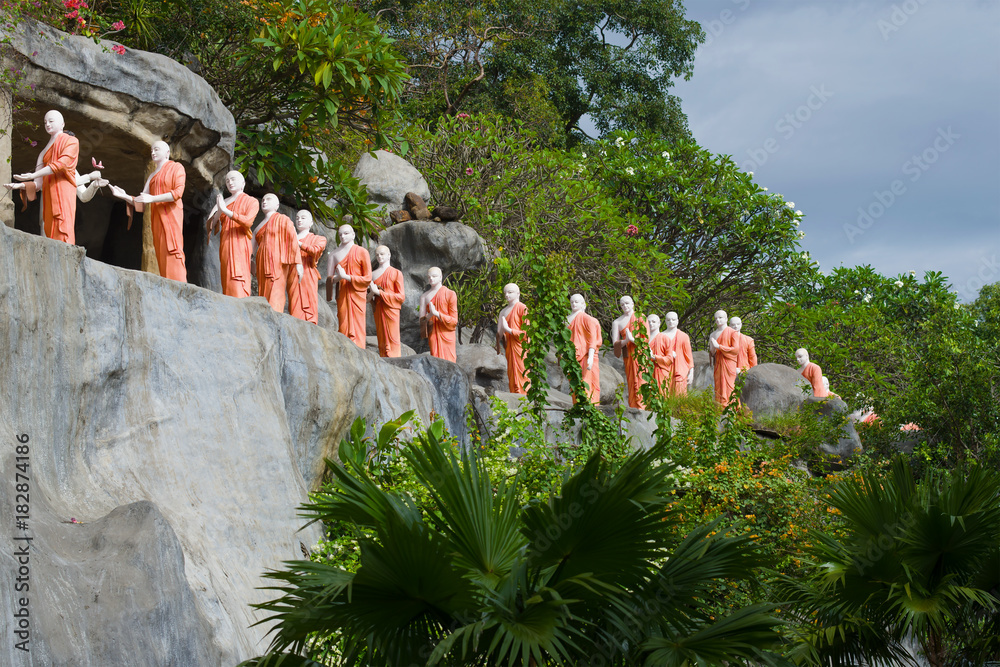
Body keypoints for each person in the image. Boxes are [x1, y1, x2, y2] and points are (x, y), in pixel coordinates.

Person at [110, 140, 187, 282]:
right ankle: (168, 285)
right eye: (152, 150)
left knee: (173, 250)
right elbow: (142, 201)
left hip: (171, 216)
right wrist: (124, 196)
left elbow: (177, 193)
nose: (153, 152)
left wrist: (153, 198)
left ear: (167, 153)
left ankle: (181, 285)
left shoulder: (176, 167)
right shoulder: (152, 176)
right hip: (156, 218)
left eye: (156, 149)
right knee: (161, 252)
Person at [10, 110, 80, 244]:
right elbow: (38, 184)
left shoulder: (71, 141)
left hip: (63, 189)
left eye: (51, 121)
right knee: (49, 226)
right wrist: (20, 185)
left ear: (62, 124)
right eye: (45, 122)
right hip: (48, 192)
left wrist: (33, 174)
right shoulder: (43, 152)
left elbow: (61, 164)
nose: (47, 124)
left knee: (63, 224)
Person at [206, 170, 258, 298]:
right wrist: (220, 210)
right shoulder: (224, 202)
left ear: (243, 183)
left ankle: (240, 300)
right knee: (227, 275)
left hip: (240, 242)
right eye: (227, 180)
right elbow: (211, 224)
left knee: (239, 275)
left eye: (233, 179)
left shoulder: (251, 201)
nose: (230, 182)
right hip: (226, 242)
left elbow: (247, 221)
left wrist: (225, 210)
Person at [252, 193, 302, 313]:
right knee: (263, 292)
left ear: (277, 205)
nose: (264, 201)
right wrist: (250, 261)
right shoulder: (258, 227)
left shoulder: (282, 219)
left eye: (268, 199)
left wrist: (298, 263)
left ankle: (275, 316)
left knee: (276, 290)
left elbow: (293, 240)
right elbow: (250, 249)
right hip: (261, 263)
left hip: (276, 262)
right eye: (263, 199)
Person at [325, 223, 371, 348]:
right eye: (340, 234)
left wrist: (347, 277)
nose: (343, 236)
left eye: (346, 233)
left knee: (358, 323)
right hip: (343, 294)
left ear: (353, 235)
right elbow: (329, 281)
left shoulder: (362, 252)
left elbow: (368, 278)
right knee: (344, 322)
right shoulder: (334, 254)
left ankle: (360, 349)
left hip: (357, 294)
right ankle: (345, 350)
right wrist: (339, 277)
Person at [612, 295, 647, 409]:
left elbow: (646, 339)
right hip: (628, 356)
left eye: (627, 303)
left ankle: (643, 406)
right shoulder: (617, 322)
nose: (625, 306)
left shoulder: (640, 317)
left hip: (641, 354)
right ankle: (633, 406)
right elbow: (616, 344)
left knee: (641, 379)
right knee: (631, 380)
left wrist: (633, 340)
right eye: (622, 304)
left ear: (632, 304)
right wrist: (626, 340)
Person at [567, 293, 602, 404]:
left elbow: (593, 339)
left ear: (583, 304)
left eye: (576, 302)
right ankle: (577, 406)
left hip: (586, 355)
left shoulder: (588, 319)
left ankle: (589, 407)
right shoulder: (566, 320)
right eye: (572, 302)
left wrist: (590, 357)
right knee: (575, 384)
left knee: (587, 383)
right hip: (572, 356)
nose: (574, 304)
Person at [369, 245, 405, 355]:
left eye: (382, 254)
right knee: (381, 338)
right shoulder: (372, 275)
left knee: (393, 337)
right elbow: (368, 298)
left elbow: (401, 297)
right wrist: (372, 292)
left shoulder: (396, 273)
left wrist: (379, 293)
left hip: (391, 310)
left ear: (389, 255)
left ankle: (395, 359)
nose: (379, 256)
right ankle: (384, 358)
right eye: (377, 255)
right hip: (379, 309)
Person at [294, 210, 327, 324]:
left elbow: (316, 250)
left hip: (308, 272)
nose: (299, 220)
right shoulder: (290, 238)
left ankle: (310, 325)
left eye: (303, 218)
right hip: (293, 274)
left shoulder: (319, 239)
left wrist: (298, 243)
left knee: (309, 303)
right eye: (297, 218)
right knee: (295, 303)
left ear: (311, 223)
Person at [419, 267, 457, 362]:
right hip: (434, 333)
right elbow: (422, 321)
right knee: (436, 360)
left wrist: (437, 313)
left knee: (450, 362)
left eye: (434, 276)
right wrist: (430, 315)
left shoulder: (450, 294)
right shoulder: (424, 297)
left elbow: (454, 321)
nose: (431, 279)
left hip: (447, 333)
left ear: (440, 277)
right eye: (429, 277)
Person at [651, 311, 693, 396]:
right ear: (665, 321)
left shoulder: (684, 336)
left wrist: (691, 372)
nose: (671, 322)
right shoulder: (660, 336)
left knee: (679, 396)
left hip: (679, 370)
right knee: (664, 394)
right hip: (663, 369)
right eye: (668, 320)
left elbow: (689, 356)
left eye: (673, 320)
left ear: (677, 321)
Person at [496, 283, 529, 394]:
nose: (507, 295)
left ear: (518, 293)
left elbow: (526, 334)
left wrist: (509, 330)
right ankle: (514, 395)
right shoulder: (503, 312)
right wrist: (501, 331)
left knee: (523, 372)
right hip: (510, 348)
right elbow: (500, 334)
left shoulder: (522, 308)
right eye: (505, 293)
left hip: (520, 348)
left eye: (510, 292)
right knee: (512, 374)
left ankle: (524, 396)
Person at [708, 309, 739, 406]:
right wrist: (712, 349)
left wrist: (719, 346)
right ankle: (719, 407)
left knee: (730, 385)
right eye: (716, 318)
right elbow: (713, 353)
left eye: (720, 317)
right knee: (719, 385)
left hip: (728, 363)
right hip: (718, 363)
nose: (718, 320)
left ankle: (731, 408)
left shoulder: (732, 332)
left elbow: (736, 350)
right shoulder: (713, 334)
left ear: (726, 319)